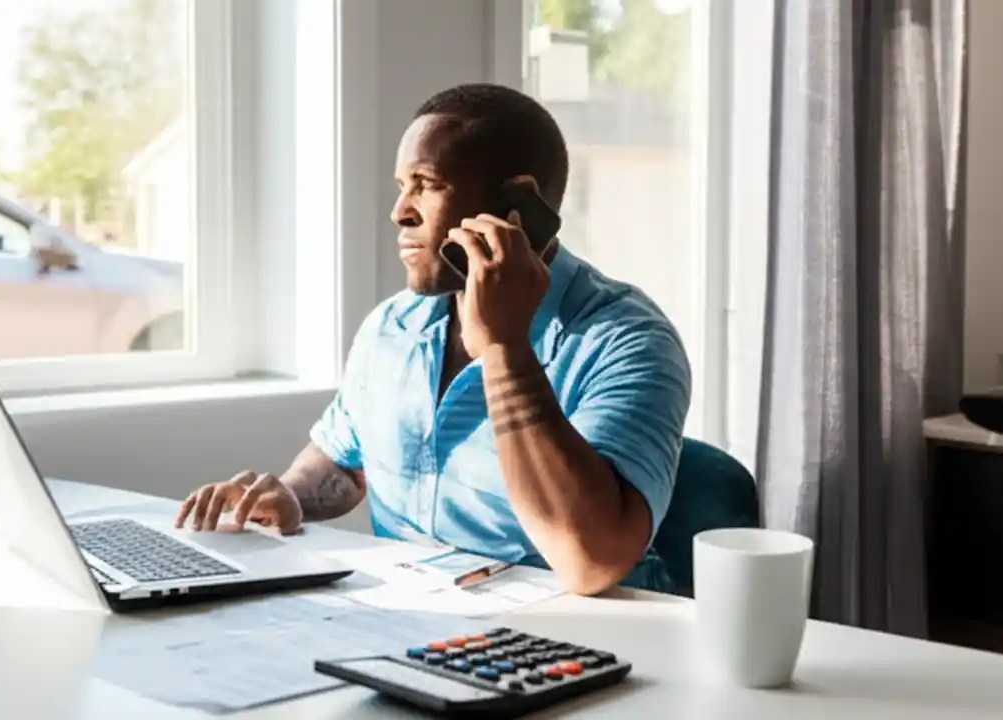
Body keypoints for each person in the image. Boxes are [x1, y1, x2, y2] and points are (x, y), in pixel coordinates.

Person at [175, 84, 691, 594]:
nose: (400, 211)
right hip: (416, 621)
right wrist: (287, 494)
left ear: (516, 205)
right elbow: (342, 460)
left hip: (583, 638)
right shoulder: (392, 327)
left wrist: (504, 347)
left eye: (427, 183)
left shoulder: (626, 340)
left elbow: (591, 561)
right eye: (402, 185)